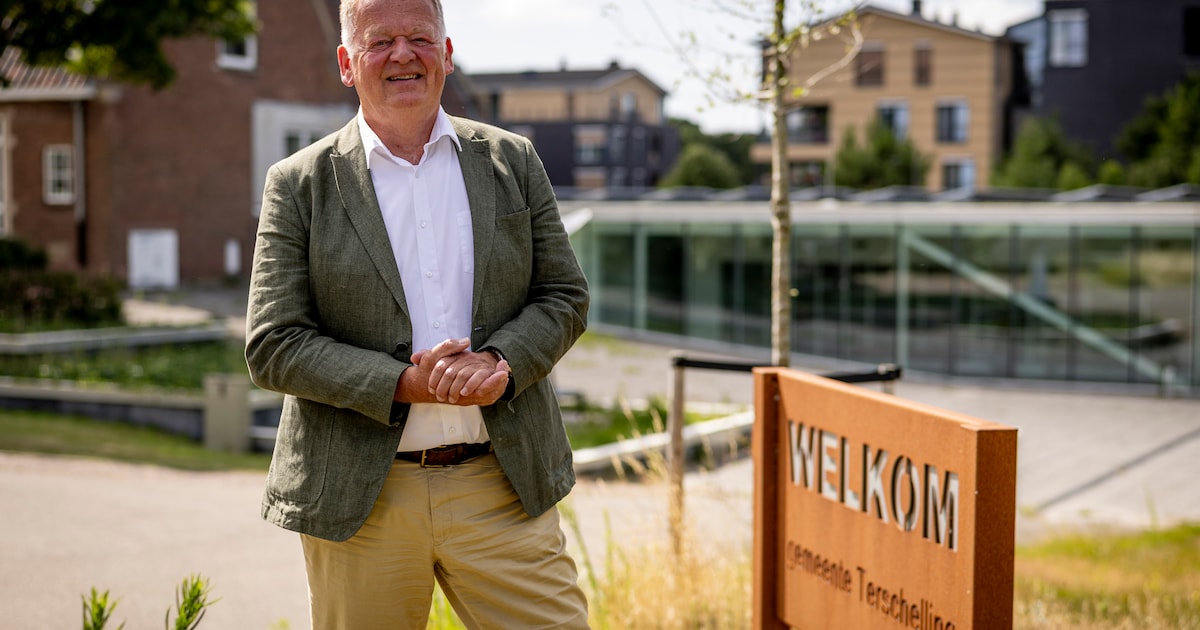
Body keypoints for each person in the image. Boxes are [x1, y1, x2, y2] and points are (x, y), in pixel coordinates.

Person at [244, 0, 591, 626]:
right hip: (361, 500)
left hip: (503, 485)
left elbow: (565, 296)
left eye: (419, 38)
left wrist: (501, 362)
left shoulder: (514, 160)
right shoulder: (298, 183)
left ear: (447, 53)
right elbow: (274, 343)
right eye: (380, 42)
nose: (403, 54)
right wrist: (405, 383)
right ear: (348, 63)